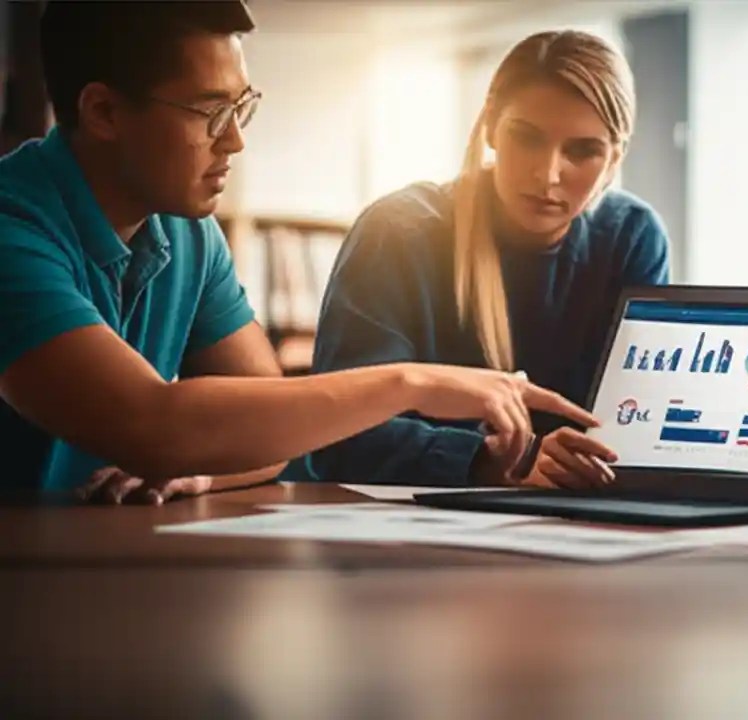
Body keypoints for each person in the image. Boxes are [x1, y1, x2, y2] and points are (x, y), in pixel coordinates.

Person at [0, 1, 593, 505]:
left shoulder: (187, 232)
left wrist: (200, 467)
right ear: (103, 112)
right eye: (211, 112)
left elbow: (278, 429)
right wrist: (412, 382)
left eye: (241, 106)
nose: (235, 139)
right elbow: (152, 424)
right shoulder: (11, 228)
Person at [290, 30, 670, 489]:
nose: (548, 174)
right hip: (393, 523)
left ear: (615, 157)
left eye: (583, 151)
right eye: (527, 138)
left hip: (573, 518)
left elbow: (635, 421)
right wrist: (490, 460)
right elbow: (339, 432)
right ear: (491, 124)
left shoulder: (632, 236)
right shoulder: (399, 232)